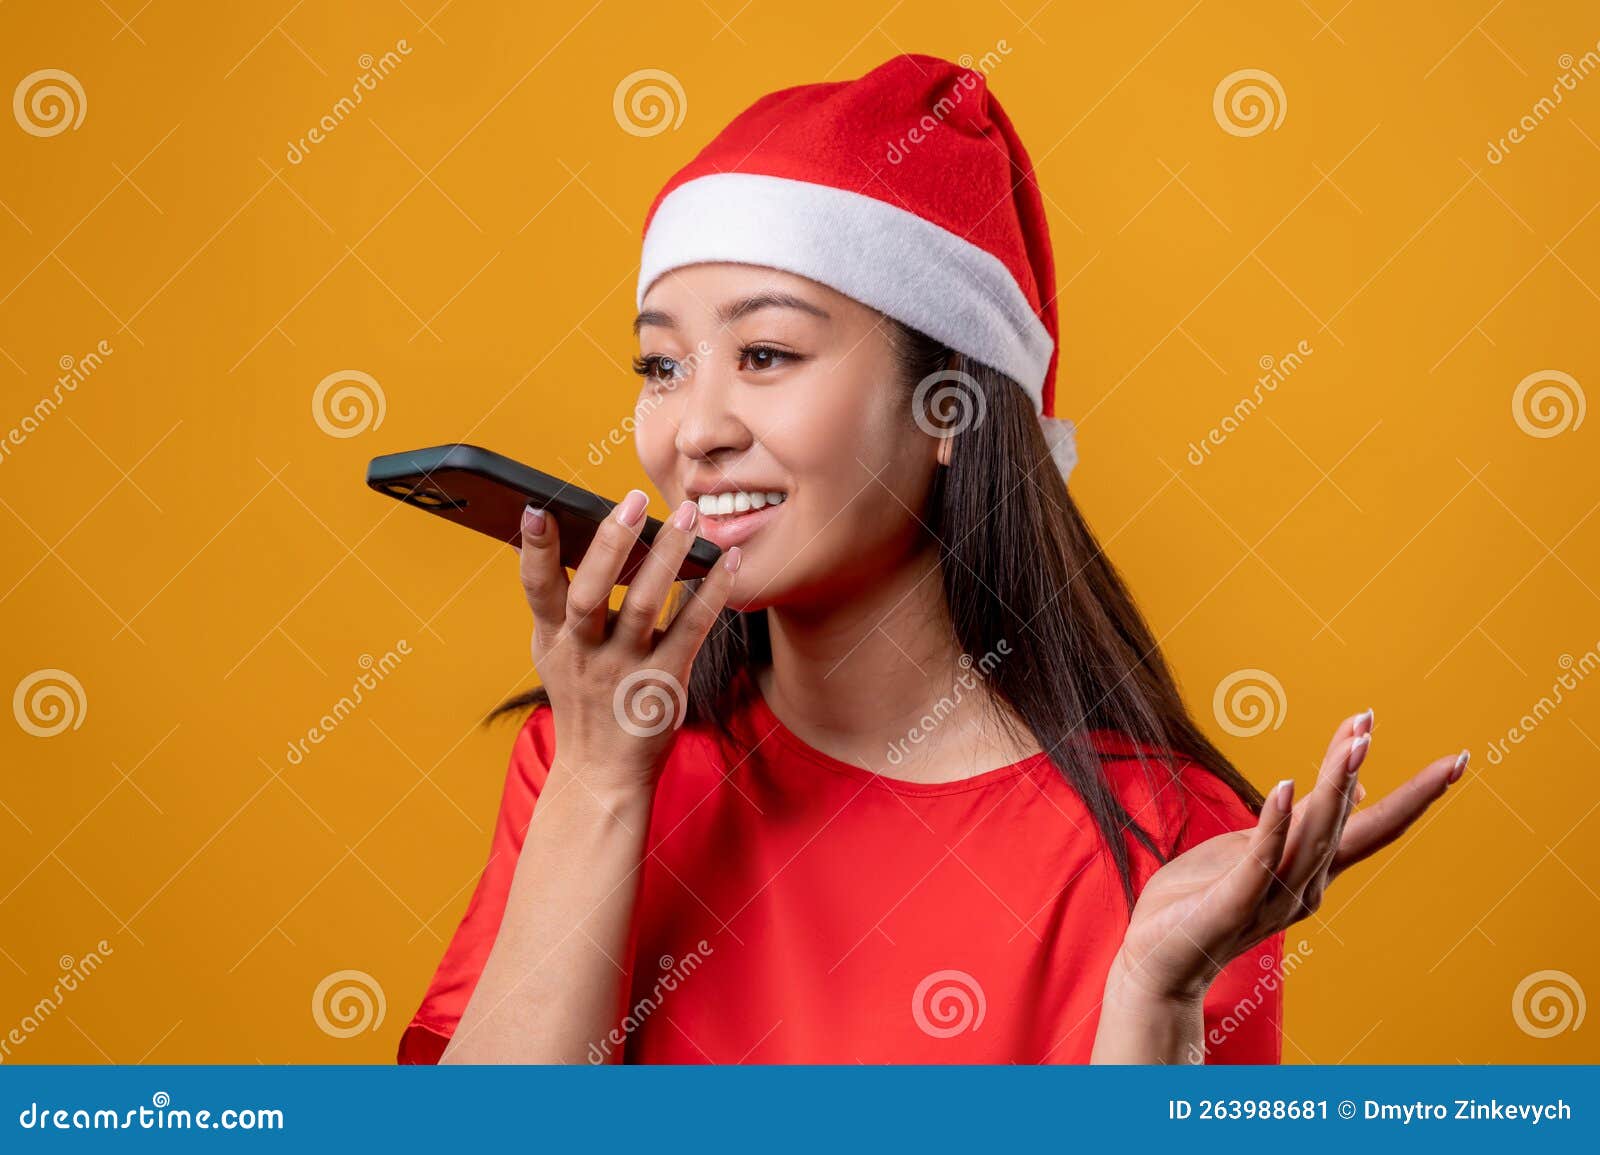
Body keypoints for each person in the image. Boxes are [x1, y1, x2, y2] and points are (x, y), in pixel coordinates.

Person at [397, 53, 1467, 1064]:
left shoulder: (1172, 846)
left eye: (765, 354)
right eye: (662, 364)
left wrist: (1156, 998)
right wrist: (598, 779)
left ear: (947, 404)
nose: (693, 428)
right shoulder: (590, 755)